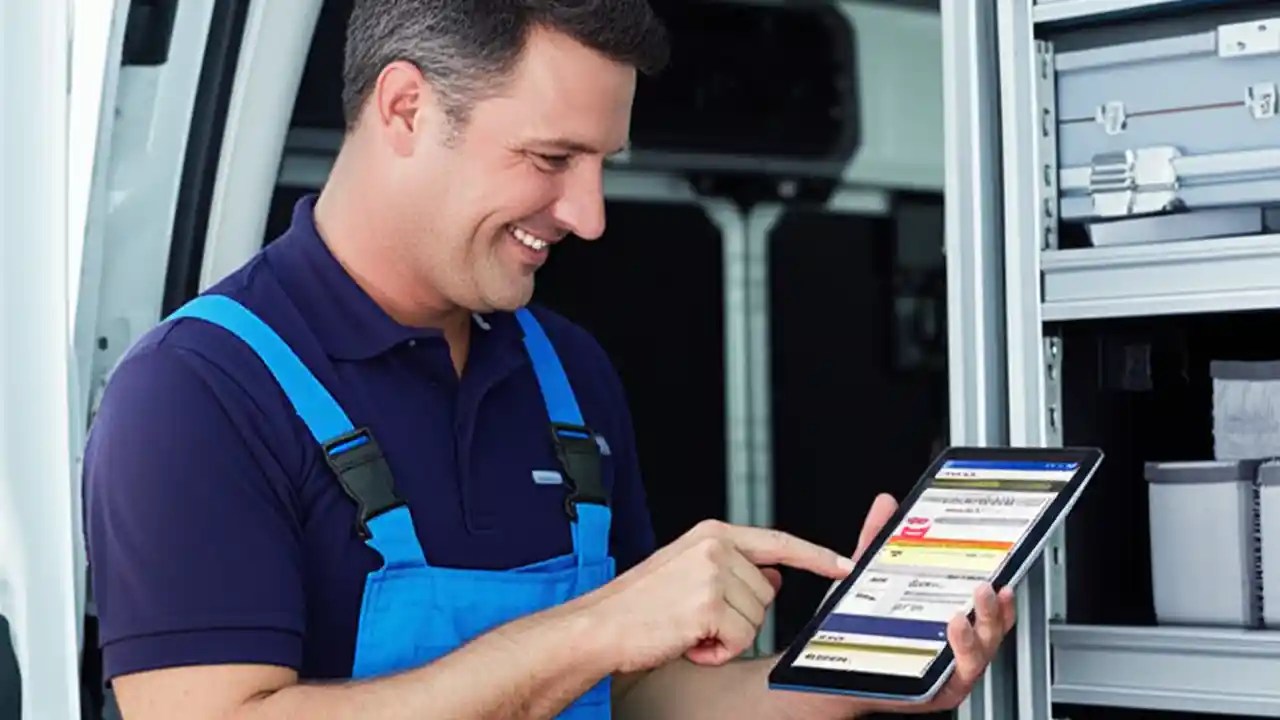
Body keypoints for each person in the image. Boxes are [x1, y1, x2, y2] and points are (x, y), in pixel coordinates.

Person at [82, 1, 1016, 718]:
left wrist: (864, 679)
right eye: (550, 157)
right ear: (406, 108)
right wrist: (593, 626)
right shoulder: (196, 392)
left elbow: (630, 699)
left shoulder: (565, 372)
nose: (591, 214)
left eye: (604, 162)